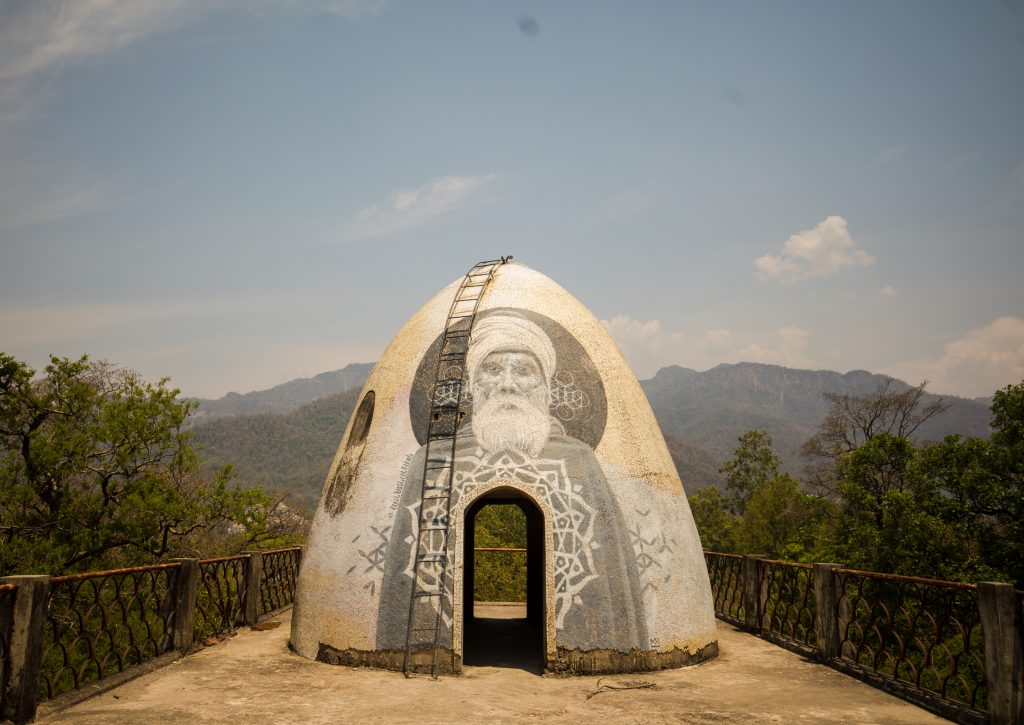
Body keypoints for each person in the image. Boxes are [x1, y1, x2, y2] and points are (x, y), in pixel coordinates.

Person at [375, 312, 647, 652]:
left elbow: (608, 583)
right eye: (491, 369)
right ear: (472, 386)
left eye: (523, 371)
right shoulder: (431, 461)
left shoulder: (579, 461)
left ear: (547, 389)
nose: (506, 384)